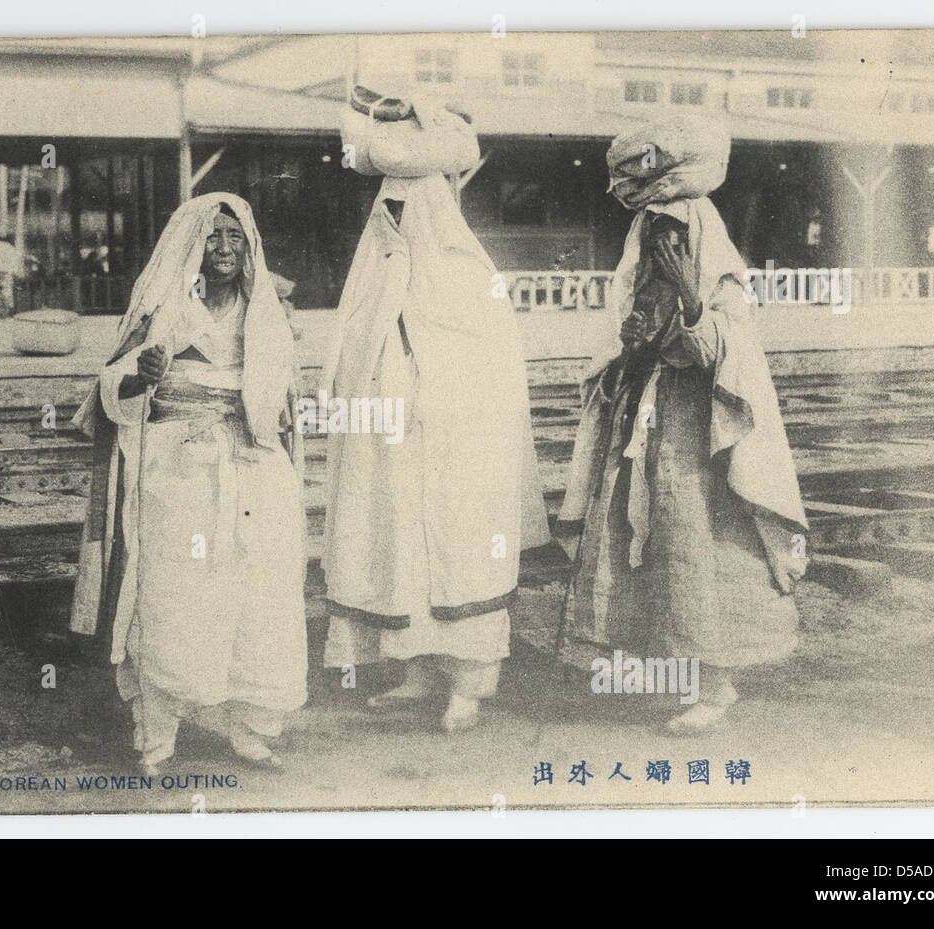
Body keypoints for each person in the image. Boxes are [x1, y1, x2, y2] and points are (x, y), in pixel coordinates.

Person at [556, 118, 809, 733]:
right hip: (649, 401)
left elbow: (721, 340)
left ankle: (714, 685)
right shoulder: (650, 228)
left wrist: (688, 306)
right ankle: (668, 671)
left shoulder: (698, 232)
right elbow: (635, 315)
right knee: (647, 536)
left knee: (694, 535)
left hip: (697, 417)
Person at [321, 91, 550, 734]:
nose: (394, 221)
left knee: (457, 553)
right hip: (394, 451)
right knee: (395, 547)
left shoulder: (465, 282)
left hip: (454, 456)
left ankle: (469, 684)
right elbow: (349, 366)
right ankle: (414, 670)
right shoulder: (375, 279)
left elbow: (486, 382)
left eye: (404, 209)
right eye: (387, 209)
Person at [70, 194, 306, 774]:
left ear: (249, 247)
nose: (224, 249)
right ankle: (157, 735)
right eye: (212, 237)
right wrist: (140, 377)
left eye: (235, 238)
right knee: (176, 594)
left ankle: (251, 729)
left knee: (261, 594)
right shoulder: (166, 308)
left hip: (255, 470)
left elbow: (289, 406)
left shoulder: (267, 314)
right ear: (191, 245)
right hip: (180, 470)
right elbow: (109, 391)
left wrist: (269, 406)